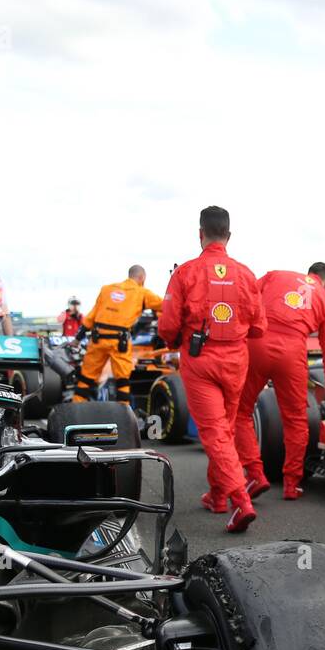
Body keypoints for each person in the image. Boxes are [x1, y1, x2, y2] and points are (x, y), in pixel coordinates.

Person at [158, 206, 266, 533]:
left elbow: (167, 326)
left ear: (200, 233)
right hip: (236, 361)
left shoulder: (185, 273)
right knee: (225, 431)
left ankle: (239, 501)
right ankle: (218, 496)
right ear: (228, 236)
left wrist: (177, 339)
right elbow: (259, 327)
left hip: (200, 359)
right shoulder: (247, 274)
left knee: (215, 433)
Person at [234, 263, 325, 500]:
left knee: (239, 414)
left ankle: (254, 472)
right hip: (293, 352)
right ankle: (291, 485)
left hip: (258, 342)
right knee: (296, 421)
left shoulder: (276, 275)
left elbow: (244, 297)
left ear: (309, 273)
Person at [72, 267, 163, 404]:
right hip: (119, 343)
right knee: (122, 380)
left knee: (86, 378)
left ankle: (75, 410)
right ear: (142, 278)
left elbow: (91, 316)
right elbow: (166, 305)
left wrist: (78, 338)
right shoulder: (142, 293)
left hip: (98, 340)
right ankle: (124, 413)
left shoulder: (106, 289)